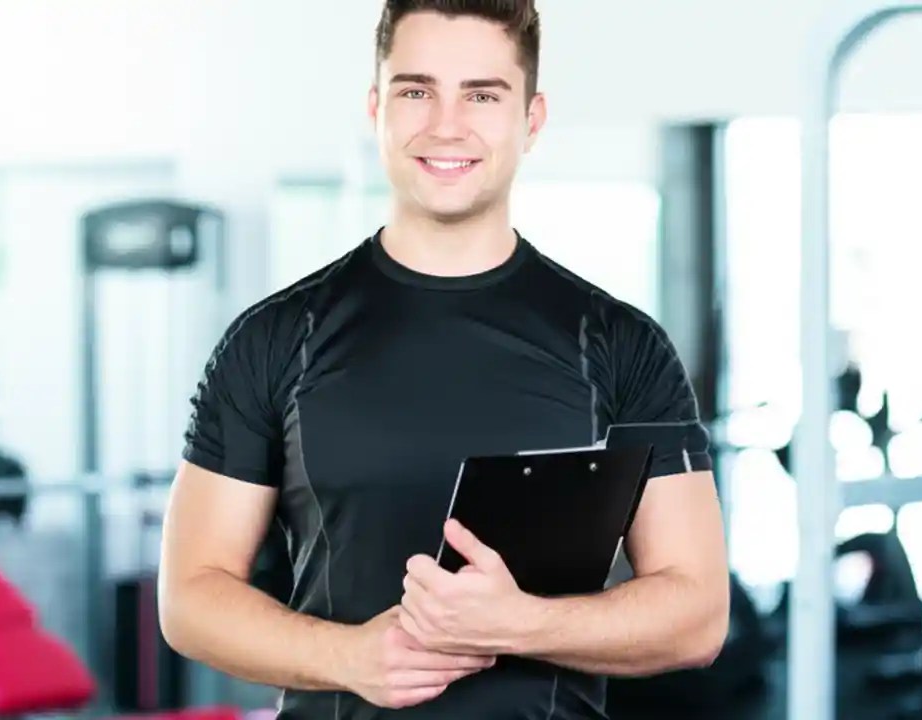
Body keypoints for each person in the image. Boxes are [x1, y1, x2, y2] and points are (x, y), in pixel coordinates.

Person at [157, 1, 730, 718]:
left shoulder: (621, 346)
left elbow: (698, 613)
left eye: (482, 95)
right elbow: (189, 597)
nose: (446, 125)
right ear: (377, 109)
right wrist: (347, 658)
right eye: (416, 91)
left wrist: (519, 623)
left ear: (532, 119)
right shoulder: (273, 339)